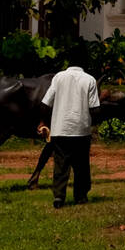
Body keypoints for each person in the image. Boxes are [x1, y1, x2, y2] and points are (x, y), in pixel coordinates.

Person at [39, 65, 101, 209]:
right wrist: (94, 123)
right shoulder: (89, 80)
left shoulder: (58, 77)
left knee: (61, 163)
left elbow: (45, 103)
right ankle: (80, 196)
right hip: (81, 130)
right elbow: (94, 108)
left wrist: (42, 122)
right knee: (81, 165)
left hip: (60, 128)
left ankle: (59, 196)